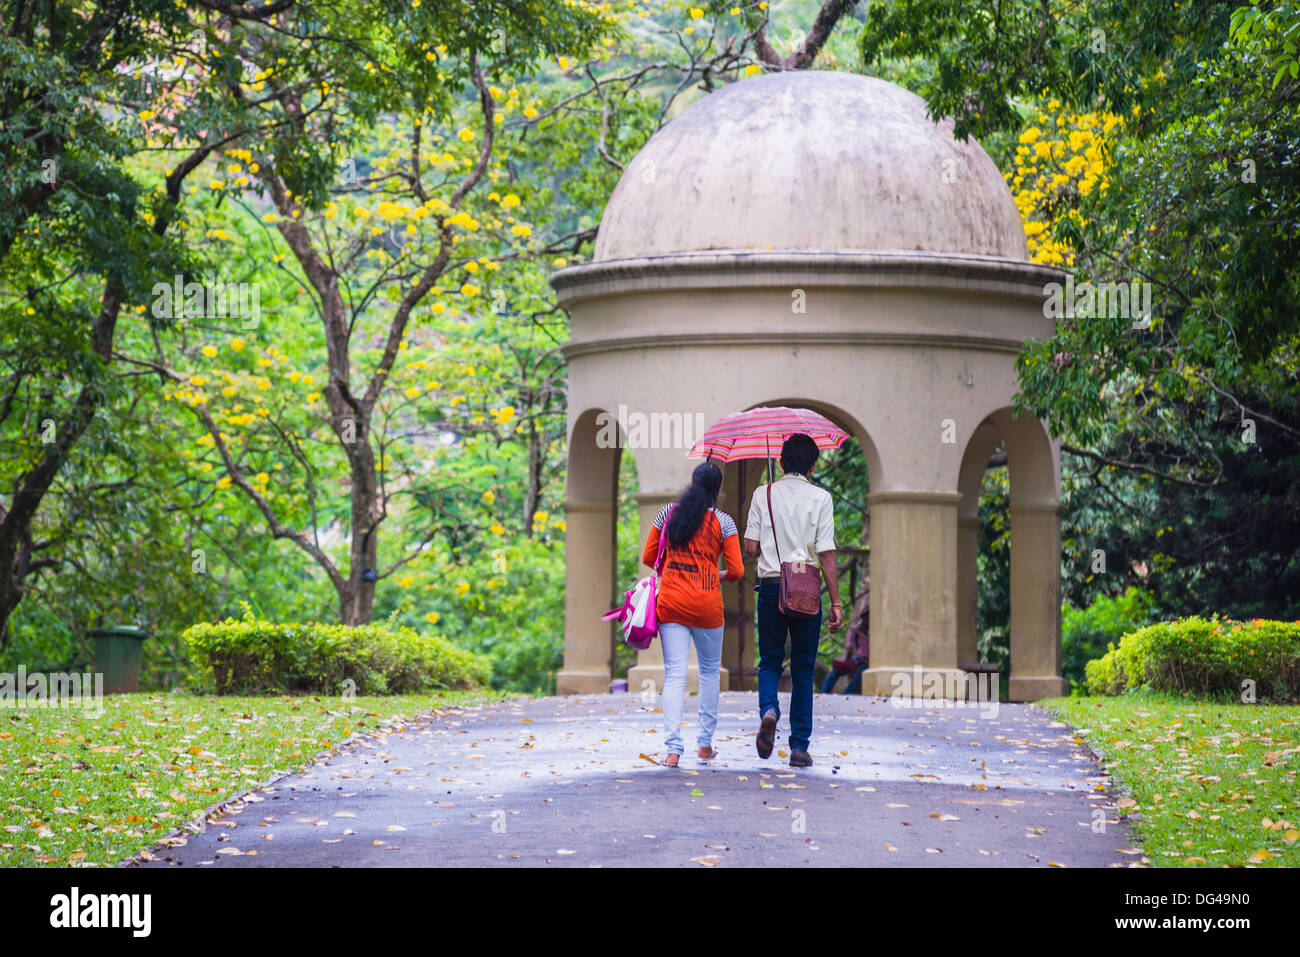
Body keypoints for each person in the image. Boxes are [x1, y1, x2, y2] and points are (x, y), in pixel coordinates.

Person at [744, 433, 841, 767]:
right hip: (806, 589)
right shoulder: (822, 498)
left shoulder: (762, 494)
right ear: (813, 465)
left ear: (781, 462)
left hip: (772, 586)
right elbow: (826, 554)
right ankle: (799, 747)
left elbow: (750, 548)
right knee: (802, 667)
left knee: (770, 661)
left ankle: (769, 709)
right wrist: (837, 603)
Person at [641, 462, 743, 768]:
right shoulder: (724, 522)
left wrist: (672, 571)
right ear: (717, 490)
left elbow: (648, 556)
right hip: (708, 606)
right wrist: (716, 573)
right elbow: (737, 570)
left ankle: (673, 750)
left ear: (692, 482)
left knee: (675, 674)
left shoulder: (668, 514)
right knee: (710, 673)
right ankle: (704, 745)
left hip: (671, 603)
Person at [822, 598, 869, 694]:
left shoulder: (875, 632)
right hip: (858, 659)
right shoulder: (856, 631)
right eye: (866, 617)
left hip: (870, 662)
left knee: (861, 672)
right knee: (836, 671)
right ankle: (824, 692)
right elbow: (850, 649)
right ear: (863, 618)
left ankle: (847, 694)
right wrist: (846, 664)